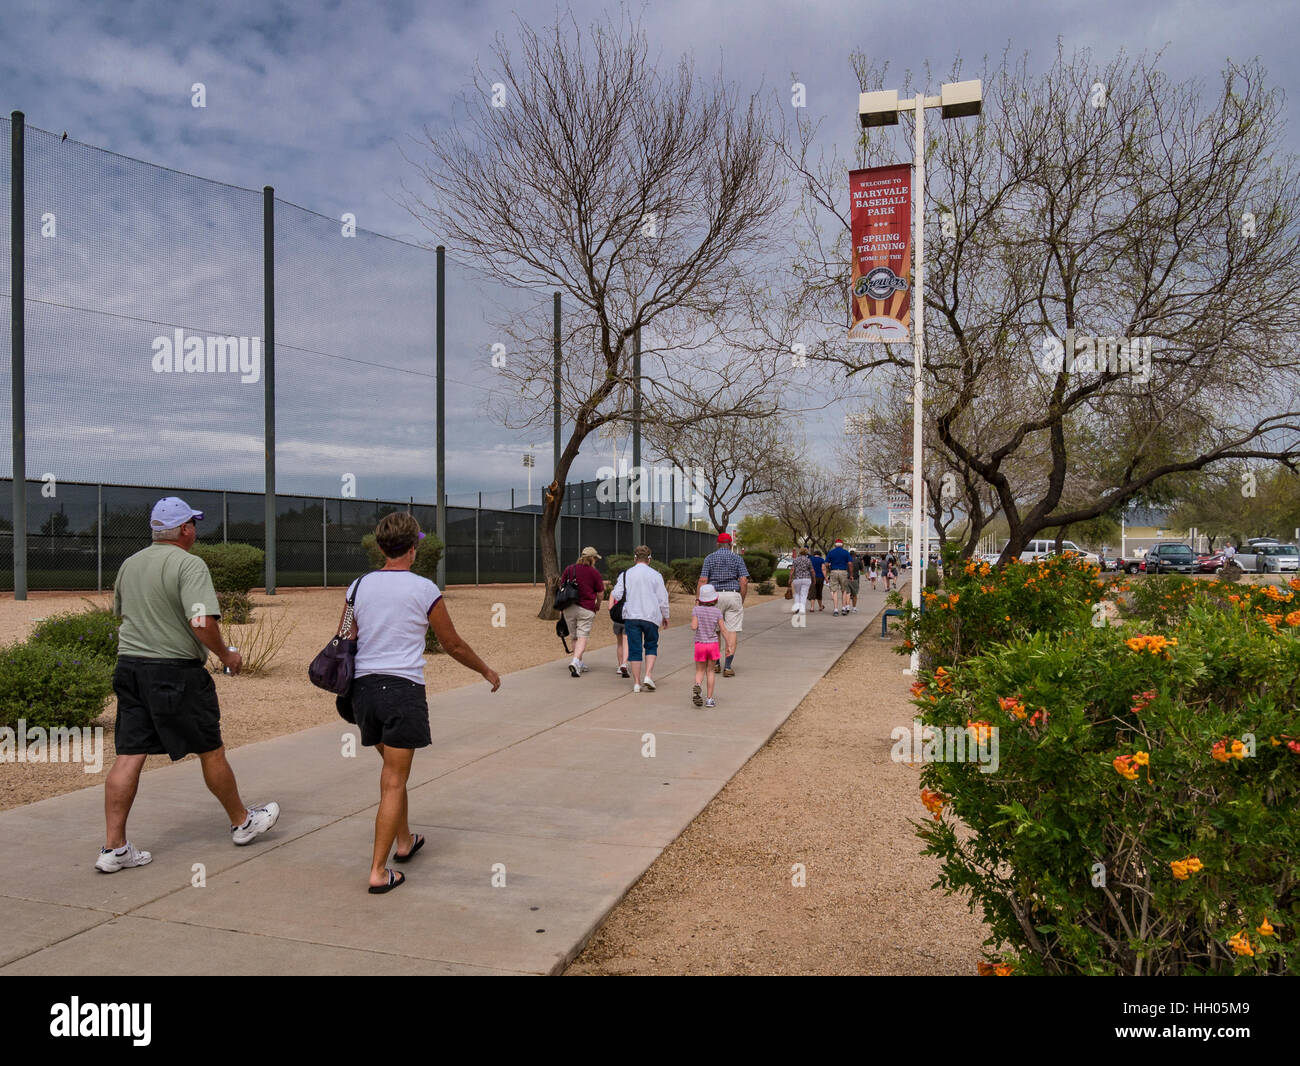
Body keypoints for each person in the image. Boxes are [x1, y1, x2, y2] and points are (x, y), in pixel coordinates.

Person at [99, 497, 277, 874]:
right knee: (209, 748)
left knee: (129, 753)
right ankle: (242, 822)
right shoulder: (189, 564)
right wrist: (226, 656)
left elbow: (121, 613)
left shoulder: (130, 564)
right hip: (175, 672)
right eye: (192, 524)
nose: (195, 530)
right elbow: (200, 622)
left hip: (130, 669)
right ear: (183, 530)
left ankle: (114, 848)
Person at [345, 512, 500, 893]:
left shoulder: (358, 585)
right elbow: (452, 643)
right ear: (413, 548)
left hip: (363, 691)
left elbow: (345, 636)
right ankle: (379, 872)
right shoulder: (424, 589)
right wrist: (485, 670)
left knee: (391, 774)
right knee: (394, 781)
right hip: (401, 691)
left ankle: (404, 841)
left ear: (380, 547)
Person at [612, 545, 670, 692]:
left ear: (635, 558)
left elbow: (617, 594)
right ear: (649, 559)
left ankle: (637, 682)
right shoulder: (656, 575)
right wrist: (666, 615)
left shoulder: (626, 574)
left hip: (631, 615)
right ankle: (648, 675)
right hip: (651, 615)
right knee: (651, 645)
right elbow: (663, 599)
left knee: (635, 648)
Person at [698, 532, 748, 676]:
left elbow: (703, 580)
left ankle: (716, 664)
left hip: (714, 596)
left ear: (718, 544)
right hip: (733, 594)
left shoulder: (709, 558)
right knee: (731, 630)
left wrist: (699, 600)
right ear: (731, 544)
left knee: (715, 631)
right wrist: (741, 598)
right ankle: (728, 666)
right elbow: (743, 581)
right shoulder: (737, 558)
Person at [560, 546, 604, 677]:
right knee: (582, 637)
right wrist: (598, 604)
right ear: (592, 559)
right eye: (595, 559)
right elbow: (600, 593)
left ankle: (579, 662)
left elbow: (561, 586)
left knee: (574, 637)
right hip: (586, 608)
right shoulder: (594, 573)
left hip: (569, 607)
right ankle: (575, 661)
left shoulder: (569, 569)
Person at [690, 584, 730, 708]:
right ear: (714, 599)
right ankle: (709, 699)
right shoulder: (717, 612)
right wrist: (728, 645)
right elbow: (723, 630)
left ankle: (698, 685)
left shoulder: (696, 610)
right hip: (713, 645)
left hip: (700, 644)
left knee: (700, 670)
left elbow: (694, 627)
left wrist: (696, 611)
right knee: (710, 671)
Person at [825, 538, 855, 615]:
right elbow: (850, 564)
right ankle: (843, 608)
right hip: (843, 571)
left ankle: (835, 610)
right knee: (844, 591)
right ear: (842, 545)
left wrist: (829, 570)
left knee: (834, 591)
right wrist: (851, 575)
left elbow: (826, 564)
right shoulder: (846, 552)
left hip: (834, 571)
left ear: (835, 545)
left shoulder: (831, 552)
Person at [789, 548, 815, 613]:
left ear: (800, 552)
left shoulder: (795, 560)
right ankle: (802, 609)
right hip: (806, 579)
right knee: (804, 594)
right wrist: (814, 579)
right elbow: (812, 571)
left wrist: (790, 578)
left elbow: (792, 570)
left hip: (797, 579)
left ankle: (797, 607)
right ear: (806, 553)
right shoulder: (808, 560)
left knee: (797, 593)